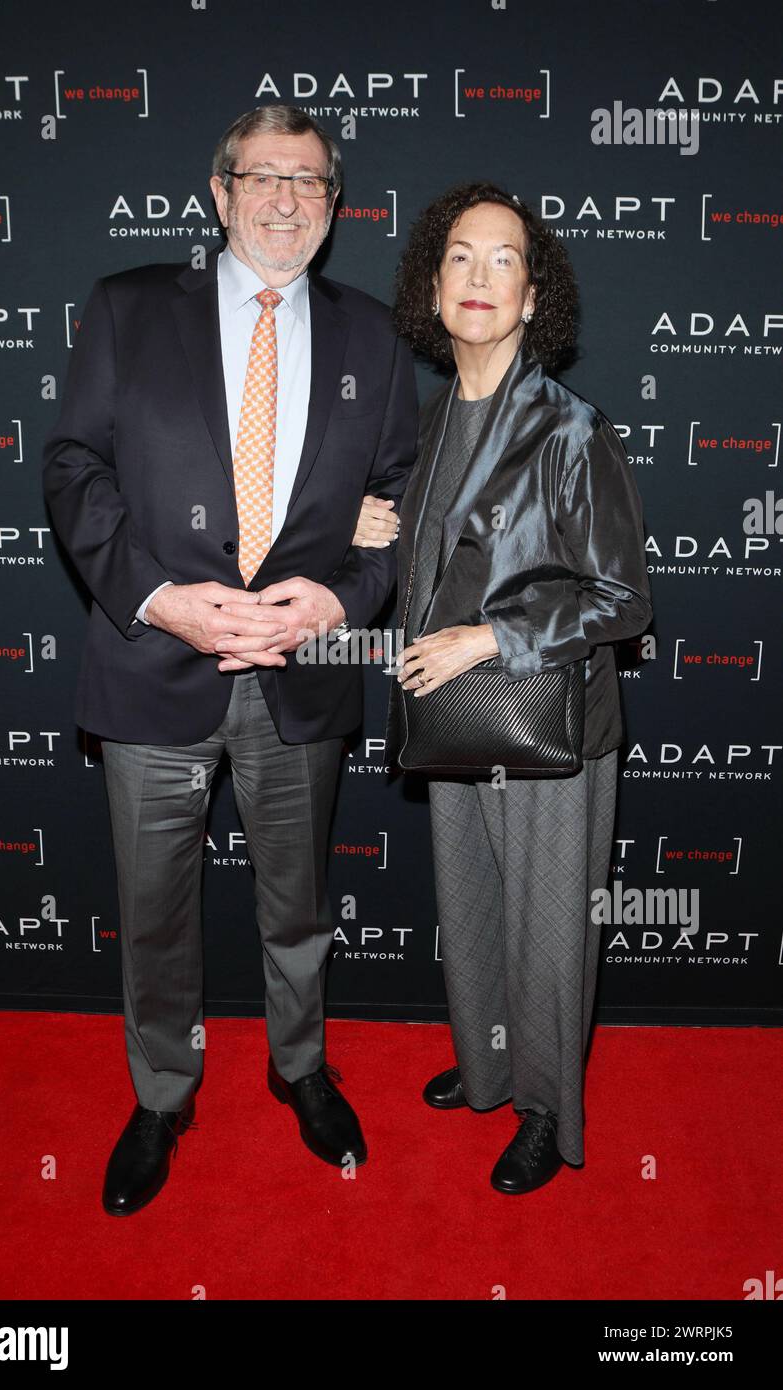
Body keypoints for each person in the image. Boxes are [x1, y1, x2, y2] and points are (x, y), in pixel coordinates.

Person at [42, 104, 418, 1216]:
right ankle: (162, 1092)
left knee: (296, 904)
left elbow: (391, 505)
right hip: (153, 666)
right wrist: (162, 600)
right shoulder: (126, 309)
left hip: (298, 680)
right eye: (263, 177)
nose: (284, 200)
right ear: (219, 193)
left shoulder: (372, 338)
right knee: (153, 906)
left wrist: (333, 604)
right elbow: (73, 467)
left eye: (308, 182)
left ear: (333, 204)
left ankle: (299, 1066)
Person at [384, 182, 653, 1195]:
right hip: (450, 710)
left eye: (504, 260)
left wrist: (488, 637)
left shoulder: (565, 429)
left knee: (545, 923)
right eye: (460, 256)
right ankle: (490, 1064)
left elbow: (621, 599)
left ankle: (544, 1107)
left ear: (535, 296)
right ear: (432, 284)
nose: (480, 277)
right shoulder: (429, 421)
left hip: (543, 713)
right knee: (473, 900)